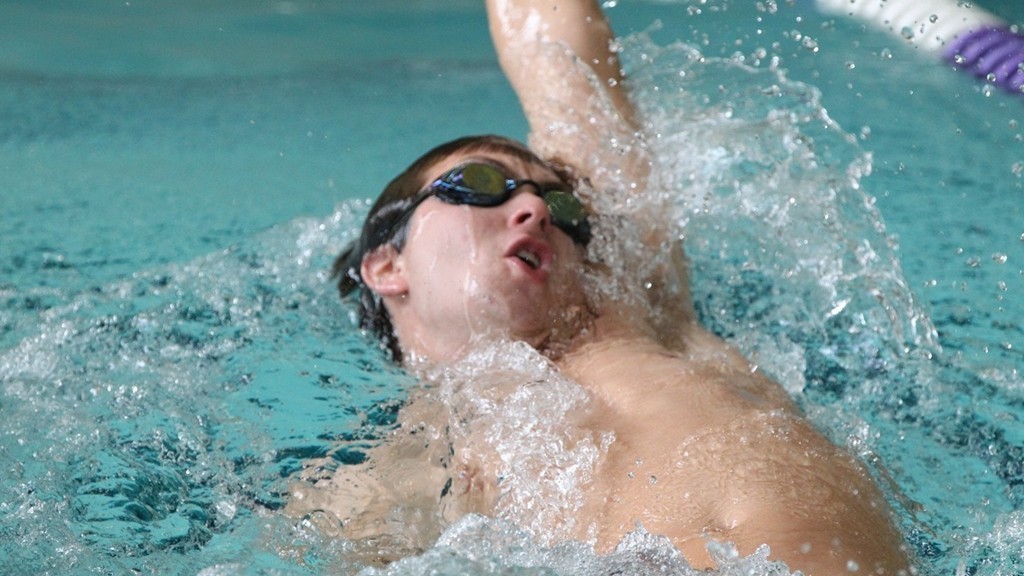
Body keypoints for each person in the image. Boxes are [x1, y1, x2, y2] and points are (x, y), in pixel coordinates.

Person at [289, 1, 915, 574]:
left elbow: (557, 40)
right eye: (480, 184)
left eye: (563, 205)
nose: (537, 208)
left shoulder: (628, 302)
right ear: (386, 267)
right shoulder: (393, 474)